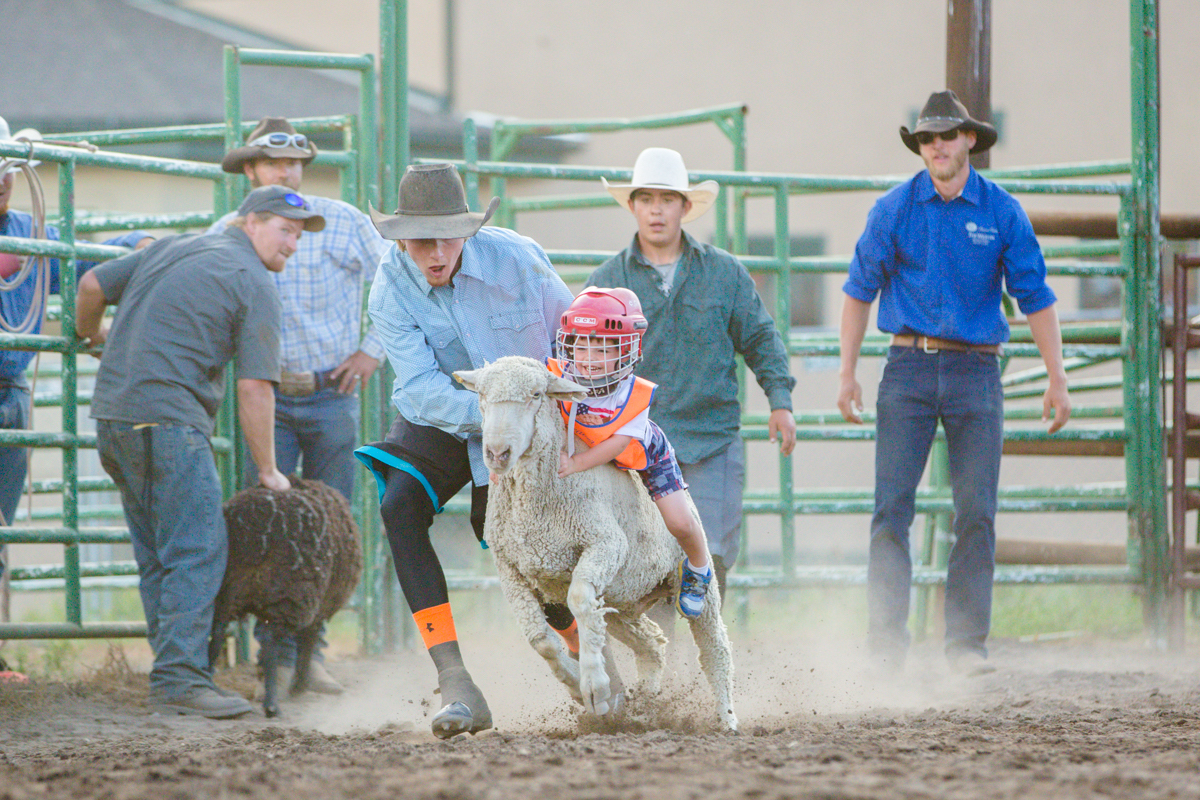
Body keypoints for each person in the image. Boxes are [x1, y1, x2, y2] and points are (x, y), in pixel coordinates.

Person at [837, 90, 1070, 676]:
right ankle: (887, 643)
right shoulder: (894, 209)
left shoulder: (1001, 212)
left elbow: (1034, 296)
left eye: (945, 135)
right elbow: (859, 289)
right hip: (907, 366)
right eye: (926, 138)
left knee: (976, 511)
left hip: (975, 369)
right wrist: (846, 373)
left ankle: (966, 646)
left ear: (969, 139)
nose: (936, 145)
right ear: (920, 147)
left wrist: (1056, 377)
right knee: (891, 508)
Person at [77, 185, 325, 719]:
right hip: (169, 424)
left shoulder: (174, 247)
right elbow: (257, 386)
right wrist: (268, 470)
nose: (293, 245)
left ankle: (175, 670)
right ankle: (180, 680)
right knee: (199, 549)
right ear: (249, 222)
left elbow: (92, 282)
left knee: (158, 554)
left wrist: (90, 335)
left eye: (299, 235)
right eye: (286, 230)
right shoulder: (253, 281)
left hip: (114, 419)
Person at [353, 163, 574, 739]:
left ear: (467, 232)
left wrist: (527, 421)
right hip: (448, 412)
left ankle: (589, 663)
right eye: (420, 240)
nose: (434, 252)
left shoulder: (519, 259)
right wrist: (490, 419)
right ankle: (455, 683)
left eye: (446, 236)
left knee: (531, 549)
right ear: (400, 238)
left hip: (528, 419)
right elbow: (423, 386)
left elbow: (569, 337)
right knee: (399, 506)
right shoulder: (389, 287)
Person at [209, 116, 390, 694]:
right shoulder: (228, 233)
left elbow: (397, 278)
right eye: (272, 163)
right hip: (266, 394)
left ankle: (310, 651)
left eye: (294, 162)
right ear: (251, 172)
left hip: (330, 391)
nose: (286, 170)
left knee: (331, 527)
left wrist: (371, 351)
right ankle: (277, 656)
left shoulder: (339, 222)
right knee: (268, 528)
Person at [587, 147, 797, 601]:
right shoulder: (606, 284)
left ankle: (706, 660)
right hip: (635, 445)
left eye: (667, 198)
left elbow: (760, 338)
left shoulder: (724, 273)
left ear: (685, 206)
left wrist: (780, 401)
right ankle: (664, 664)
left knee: (713, 555)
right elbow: (583, 366)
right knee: (646, 560)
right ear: (633, 206)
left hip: (710, 438)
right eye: (646, 198)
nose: (656, 209)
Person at [1, 116, 151, 581]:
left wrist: (141, 247)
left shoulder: (35, 232)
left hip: (10, 392)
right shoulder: (31, 234)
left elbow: (97, 257)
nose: (2, 181)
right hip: (12, 392)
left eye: (5, 170)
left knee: (3, 526)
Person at [551, 287, 714, 617]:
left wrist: (577, 463)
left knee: (680, 521)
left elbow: (618, 444)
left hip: (643, 454)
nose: (588, 358)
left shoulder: (632, 393)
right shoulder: (556, 377)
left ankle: (699, 568)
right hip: (587, 454)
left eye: (601, 349)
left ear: (626, 349)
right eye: (581, 346)